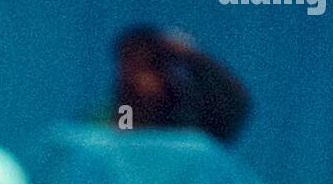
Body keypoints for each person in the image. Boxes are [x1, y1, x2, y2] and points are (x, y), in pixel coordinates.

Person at [94, 26, 251, 144]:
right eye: (131, 66)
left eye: (148, 66)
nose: (140, 79)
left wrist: (194, 57)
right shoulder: (111, 117)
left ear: (165, 72)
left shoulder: (188, 120)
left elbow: (235, 103)